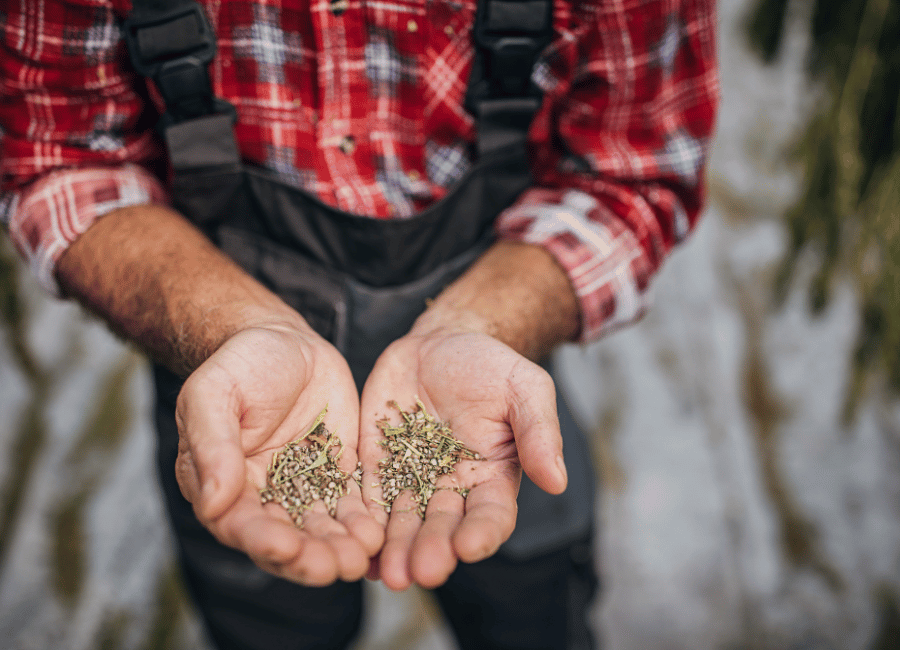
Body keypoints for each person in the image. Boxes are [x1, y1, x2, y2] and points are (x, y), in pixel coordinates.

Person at [0, 0, 718, 648]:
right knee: (269, 617)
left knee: (532, 617)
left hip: (490, 419)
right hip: (240, 425)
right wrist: (229, 329)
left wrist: (487, 324)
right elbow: (57, 157)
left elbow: (634, 174)